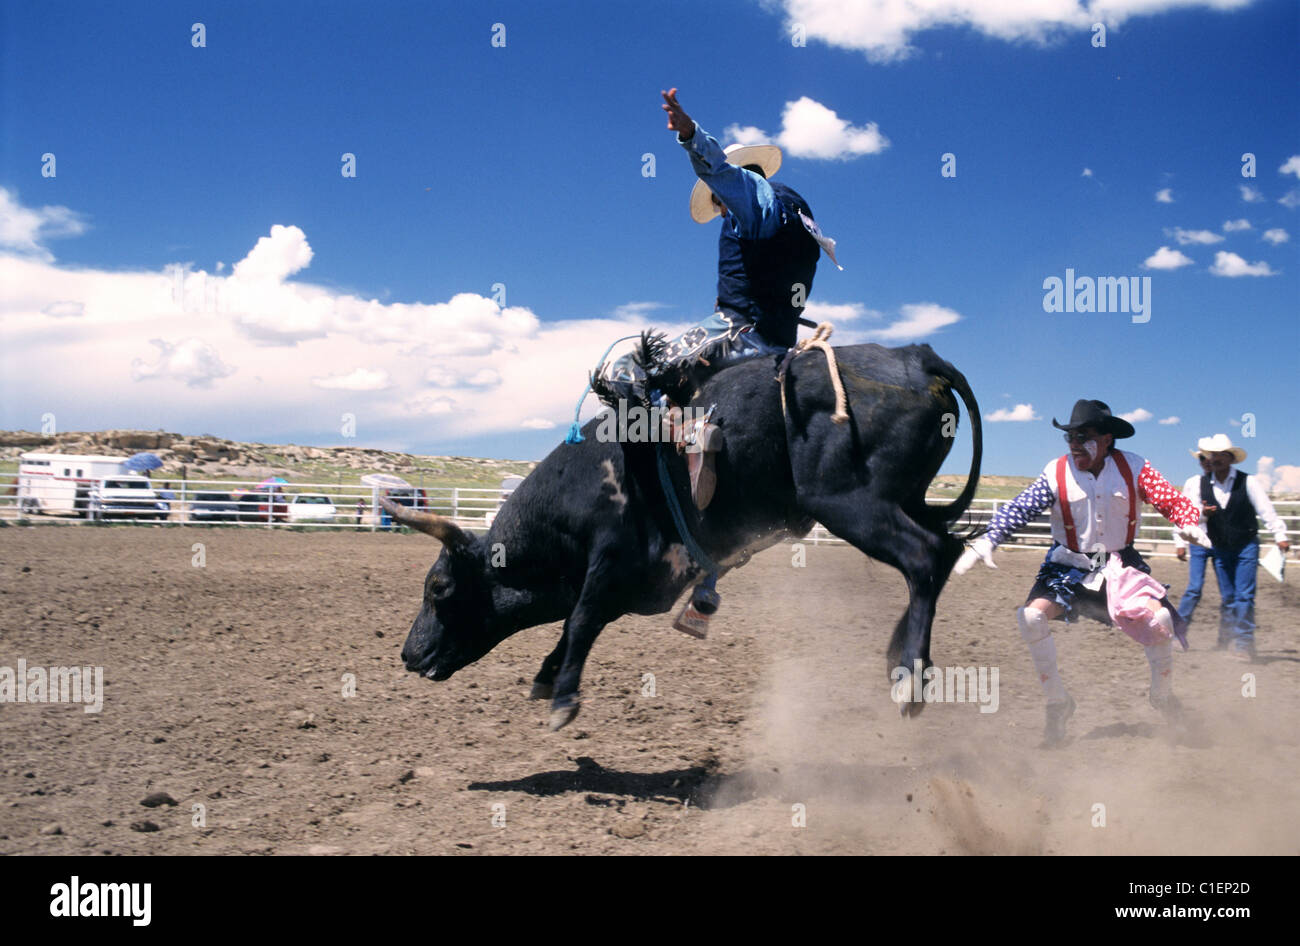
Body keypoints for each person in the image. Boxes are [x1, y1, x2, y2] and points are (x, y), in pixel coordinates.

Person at [953, 399, 1210, 747]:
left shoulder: (1135, 467)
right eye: (1070, 436)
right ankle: (1058, 702)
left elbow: (1170, 499)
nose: (1074, 443)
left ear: (1106, 439)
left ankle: (1161, 695)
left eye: (1083, 435)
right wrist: (991, 537)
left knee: (1161, 619)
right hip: (1068, 566)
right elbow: (1021, 506)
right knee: (1031, 618)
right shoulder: (1055, 472)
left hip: (1121, 566)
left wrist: (1189, 521)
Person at [597, 88, 839, 405]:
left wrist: (690, 134)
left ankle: (659, 447)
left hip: (740, 335)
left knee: (626, 373)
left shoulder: (754, 202)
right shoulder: (798, 213)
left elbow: (723, 173)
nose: (721, 211)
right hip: (781, 339)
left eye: (718, 201)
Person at [1178, 434, 1289, 660]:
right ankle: (1229, 641)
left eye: (1221, 455)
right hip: (1220, 547)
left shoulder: (1248, 482)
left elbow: (1265, 509)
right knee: (1229, 597)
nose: (1216, 459)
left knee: (1244, 596)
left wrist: (1280, 534)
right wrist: (1202, 514)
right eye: (1213, 455)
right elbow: (1188, 517)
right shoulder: (1201, 484)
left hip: (1245, 545)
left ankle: (1243, 644)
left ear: (1230, 458)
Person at [1173, 454, 1217, 628]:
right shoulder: (1193, 483)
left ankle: (1228, 639)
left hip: (1222, 542)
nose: (1206, 461)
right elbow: (1182, 512)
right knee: (1194, 588)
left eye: (1210, 457)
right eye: (1202, 458)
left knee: (1229, 593)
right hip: (1198, 541)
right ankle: (1179, 629)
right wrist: (1179, 541)